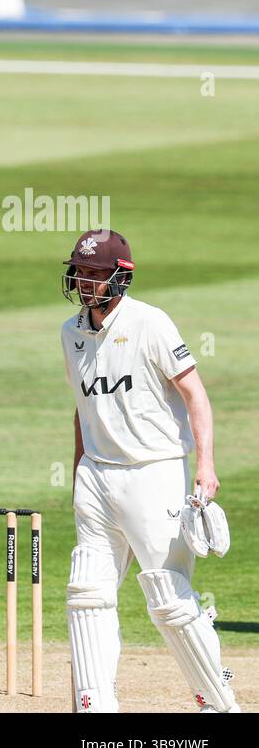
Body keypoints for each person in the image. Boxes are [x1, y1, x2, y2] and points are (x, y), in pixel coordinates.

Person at [60, 229, 238, 712]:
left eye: (97, 274)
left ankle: (219, 704)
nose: (86, 281)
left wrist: (206, 464)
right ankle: (93, 708)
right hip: (96, 476)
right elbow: (83, 406)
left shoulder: (150, 323)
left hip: (153, 471)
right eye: (81, 272)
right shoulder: (70, 332)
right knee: (87, 592)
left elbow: (194, 393)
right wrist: (78, 469)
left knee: (170, 601)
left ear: (122, 277)